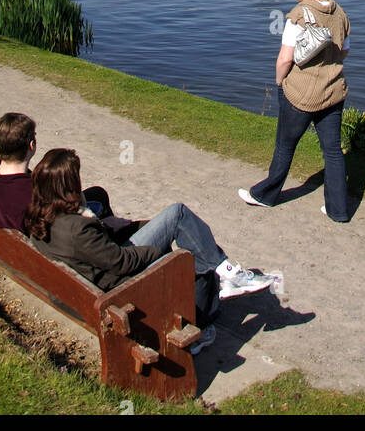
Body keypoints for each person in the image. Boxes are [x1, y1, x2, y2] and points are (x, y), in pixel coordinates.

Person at [25, 149, 275, 353]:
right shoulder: (76, 228)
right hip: (116, 287)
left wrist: (142, 229)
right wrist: (160, 252)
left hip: (90, 285)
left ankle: (221, 275)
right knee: (180, 221)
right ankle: (221, 285)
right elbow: (121, 262)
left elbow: (96, 251)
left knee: (182, 238)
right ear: (69, 187)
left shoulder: (41, 217)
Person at [239, 0, 351, 222]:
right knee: (332, 151)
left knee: (284, 146)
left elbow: (284, 59)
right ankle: (338, 210)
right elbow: (344, 51)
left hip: (301, 94)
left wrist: (280, 82)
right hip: (333, 92)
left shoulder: (298, 15)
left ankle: (264, 195)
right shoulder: (340, 13)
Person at [0, 113, 119, 235]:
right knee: (99, 199)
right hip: (42, 250)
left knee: (97, 194)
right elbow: (61, 224)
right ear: (31, 145)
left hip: (6, 245)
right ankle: (109, 237)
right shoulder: (35, 194)